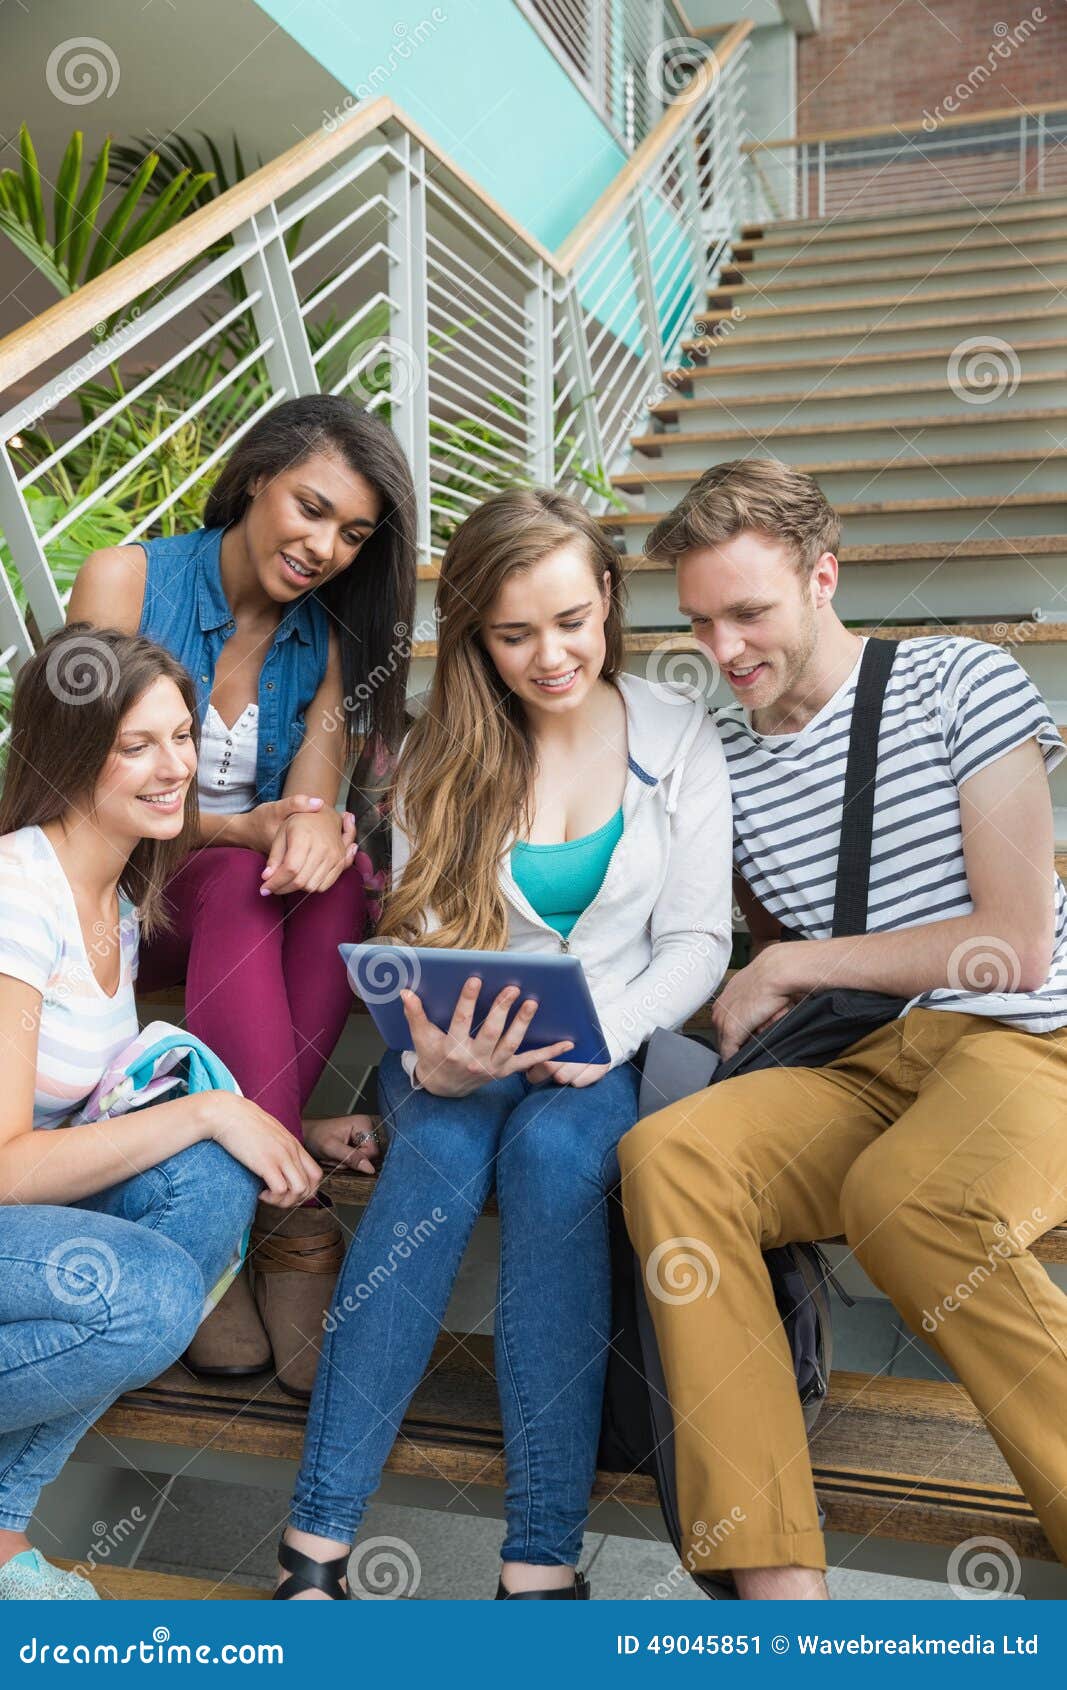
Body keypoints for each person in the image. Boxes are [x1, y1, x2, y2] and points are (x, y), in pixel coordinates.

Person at [268, 486, 734, 1599]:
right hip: (456, 1051)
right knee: (430, 1151)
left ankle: (538, 1563)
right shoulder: (444, 750)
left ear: (609, 601)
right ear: (475, 631)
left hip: (607, 1048)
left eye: (572, 621)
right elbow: (419, 937)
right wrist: (432, 1061)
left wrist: (606, 1035)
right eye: (514, 633)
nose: (550, 655)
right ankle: (312, 1552)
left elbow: (698, 940)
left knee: (555, 1160)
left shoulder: (675, 733)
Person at [618, 456, 1067, 1598]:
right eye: (702, 620)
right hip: (867, 1059)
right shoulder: (717, 753)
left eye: (750, 612)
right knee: (668, 1156)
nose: (723, 649)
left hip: (1026, 1037)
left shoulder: (961, 680)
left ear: (824, 576)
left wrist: (792, 961)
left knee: (906, 1197)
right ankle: (777, 1591)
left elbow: (1008, 939)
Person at [67, 395, 418, 1395]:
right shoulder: (126, 580)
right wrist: (244, 827)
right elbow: (88, 792)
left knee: (339, 871)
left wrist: (309, 818)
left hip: (242, 913)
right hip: (126, 902)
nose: (324, 547)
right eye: (310, 508)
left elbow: (313, 780)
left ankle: (246, 1204)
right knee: (231, 871)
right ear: (258, 473)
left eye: (352, 533)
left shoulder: (336, 630)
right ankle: (287, 1214)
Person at [0, 625, 322, 1600]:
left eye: (182, 736)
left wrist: (231, 1124)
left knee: (208, 1184)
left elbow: (92, 1114)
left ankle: (2, 1533)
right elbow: (7, 1165)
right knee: (145, 1295)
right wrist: (204, 1112)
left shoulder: (121, 899)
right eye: (137, 744)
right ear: (68, 754)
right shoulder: (18, 888)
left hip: (29, 1222)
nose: (175, 765)